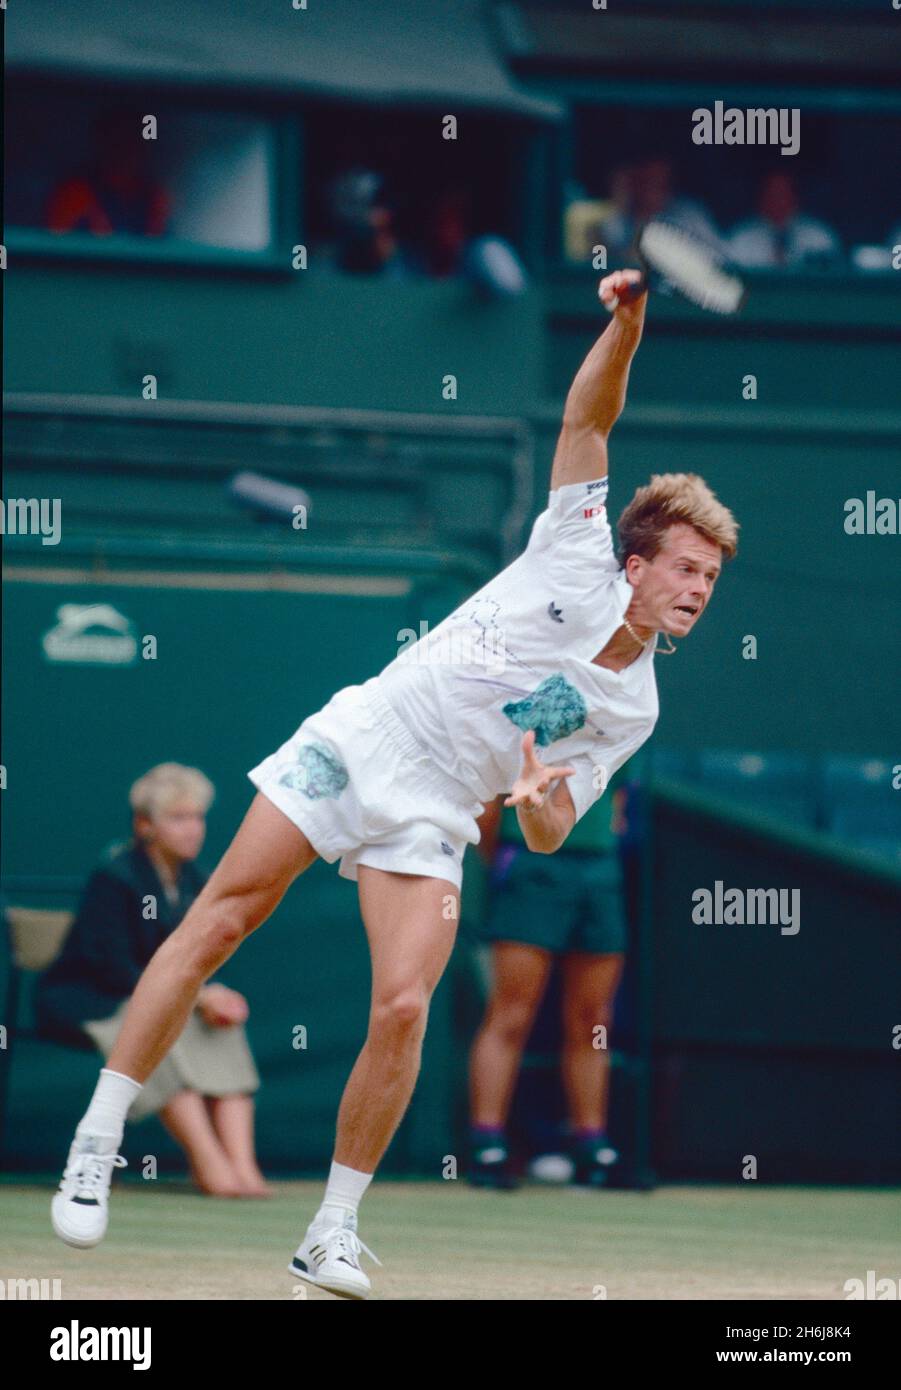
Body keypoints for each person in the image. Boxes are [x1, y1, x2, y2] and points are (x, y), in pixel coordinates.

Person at [51, 268, 739, 1299]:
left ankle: (328, 1231)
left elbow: (549, 831)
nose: (698, 590)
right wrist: (628, 321)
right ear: (636, 562)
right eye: (686, 568)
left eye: (711, 580)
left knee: (406, 1006)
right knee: (218, 920)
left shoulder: (631, 708)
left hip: (436, 808)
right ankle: (97, 1137)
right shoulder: (572, 549)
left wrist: (544, 808)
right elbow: (588, 414)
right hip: (362, 739)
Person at [39, 764, 268, 1200]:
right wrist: (197, 996)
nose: (193, 829)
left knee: (219, 1023)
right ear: (146, 825)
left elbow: (200, 956)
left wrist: (210, 995)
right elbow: (112, 968)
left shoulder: (197, 880)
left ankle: (243, 1167)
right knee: (155, 1017)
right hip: (88, 999)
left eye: (198, 817)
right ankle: (210, 1166)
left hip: (158, 995)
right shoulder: (115, 876)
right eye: (178, 818)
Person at [468, 770, 630, 1190]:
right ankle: (487, 1143)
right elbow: (488, 810)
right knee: (512, 1012)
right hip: (529, 864)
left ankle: (592, 1144)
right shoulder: (523, 716)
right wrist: (512, 858)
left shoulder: (621, 717)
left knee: (593, 1020)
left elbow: (618, 805)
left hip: (599, 871)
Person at [46, 106, 171, 238]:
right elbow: (55, 247)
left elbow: (161, 247)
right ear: (102, 143)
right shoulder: (74, 193)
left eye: (133, 142)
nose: (125, 152)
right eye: (117, 142)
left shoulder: (154, 198)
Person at [728, 171, 842, 269]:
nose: (778, 200)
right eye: (773, 194)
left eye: (784, 194)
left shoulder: (819, 237)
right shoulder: (741, 240)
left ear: (796, 198)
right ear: (761, 198)